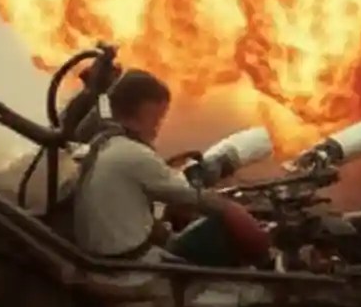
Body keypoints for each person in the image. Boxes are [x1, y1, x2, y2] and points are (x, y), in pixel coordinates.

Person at [72, 69, 265, 265]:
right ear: (143, 112)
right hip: (130, 269)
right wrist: (235, 212)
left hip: (104, 256)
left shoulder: (101, 142)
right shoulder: (134, 155)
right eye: (157, 120)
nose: (157, 129)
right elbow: (197, 198)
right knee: (217, 228)